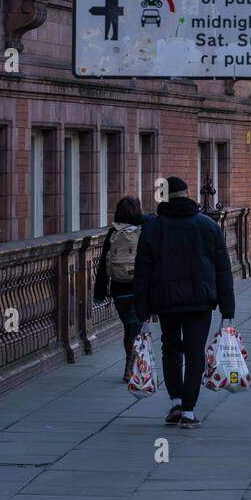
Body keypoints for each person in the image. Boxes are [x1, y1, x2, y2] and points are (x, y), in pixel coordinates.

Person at [133, 175, 236, 431]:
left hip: (166, 301)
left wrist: (142, 310)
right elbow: (224, 269)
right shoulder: (207, 225)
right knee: (194, 353)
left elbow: (142, 271)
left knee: (170, 349)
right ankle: (189, 412)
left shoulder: (153, 228)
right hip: (200, 302)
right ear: (188, 193)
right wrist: (228, 309)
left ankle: (176, 401)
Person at [94, 196, 146, 382]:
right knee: (135, 329)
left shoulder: (113, 233)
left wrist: (100, 292)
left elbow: (102, 264)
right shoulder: (144, 231)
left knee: (129, 328)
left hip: (118, 290)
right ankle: (129, 368)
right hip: (139, 288)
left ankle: (131, 364)